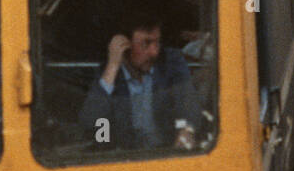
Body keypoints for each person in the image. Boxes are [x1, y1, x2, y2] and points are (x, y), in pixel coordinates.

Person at [79, 8, 203, 151]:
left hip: (166, 154)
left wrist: (186, 130)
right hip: (125, 159)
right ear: (124, 45)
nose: (154, 52)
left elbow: (187, 102)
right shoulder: (109, 72)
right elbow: (92, 123)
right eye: (146, 43)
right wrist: (112, 67)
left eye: (157, 42)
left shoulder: (170, 61)